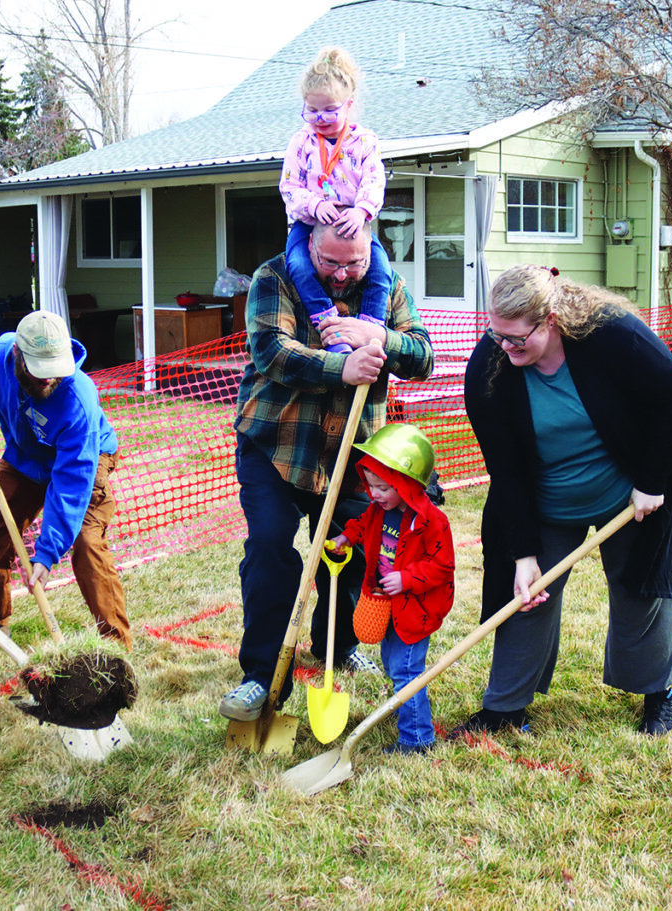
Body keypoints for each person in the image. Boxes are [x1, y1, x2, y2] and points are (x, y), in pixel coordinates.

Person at [450, 264, 672, 739]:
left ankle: (657, 696)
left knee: (639, 584)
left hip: (629, 489)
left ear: (551, 321)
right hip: (545, 499)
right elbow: (505, 468)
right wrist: (524, 555)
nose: (503, 348)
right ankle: (504, 709)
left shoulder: (610, 334)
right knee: (526, 595)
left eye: (516, 340)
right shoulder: (490, 366)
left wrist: (650, 481)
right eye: (496, 335)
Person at [218, 217, 435, 722]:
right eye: (330, 262)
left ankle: (334, 648)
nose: (341, 274)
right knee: (271, 549)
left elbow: (422, 356)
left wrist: (379, 336)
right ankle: (261, 676)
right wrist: (341, 366)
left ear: (371, 249)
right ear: (308, 243)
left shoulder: (389, 287)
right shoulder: (275, 278)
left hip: (355, 452)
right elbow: (272, 352)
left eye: (354, 262)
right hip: (277, 445)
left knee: (354, 553)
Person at [0, 311, 131, 650]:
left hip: (88, 458)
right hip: (24, 456)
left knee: (87, 545)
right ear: (17, 354)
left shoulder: (78, 399)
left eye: (55, 369)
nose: (48, 380)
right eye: (39, 370)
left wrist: (46, 554)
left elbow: (71, 483)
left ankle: (116, 648)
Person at [328, 423, 455, 754]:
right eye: (371, 486)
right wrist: (345, 537)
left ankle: (416, 739)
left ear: (408, 483)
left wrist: (407, 579)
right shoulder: (379, 510)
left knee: (407, 671)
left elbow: (443, 567)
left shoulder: (432, 522)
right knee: (391, 662)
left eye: (384, 487)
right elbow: (362, 523)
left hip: (414, 609)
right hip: (386, 603)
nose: (376, 494)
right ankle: (402, 709)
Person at [279, 46, 392, 355]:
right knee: (299, 266)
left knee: (381, 269)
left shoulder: (365, 141)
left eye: (329, 109)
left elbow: (374, 179)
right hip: (309, 224)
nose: (320, 118)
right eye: (312, 111)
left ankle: (369, 329)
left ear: (348, 104)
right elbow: (289, 186)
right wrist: (314, 205)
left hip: (354, 224)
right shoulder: (301, 142)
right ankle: (332, 328)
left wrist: (362, 210)